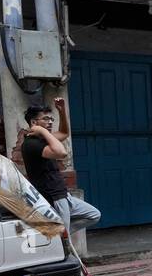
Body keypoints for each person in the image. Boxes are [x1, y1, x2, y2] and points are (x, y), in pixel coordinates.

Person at [19, 99, 101, 235]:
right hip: (53, 196)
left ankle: (58, 234)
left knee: (94, 215)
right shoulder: (31, 144)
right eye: (46, 119)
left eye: (51, 119)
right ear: (34, 123)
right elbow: (61, 153)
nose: (50, 122)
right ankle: (61, 237)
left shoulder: (43, 139)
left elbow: (64, 133)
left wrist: (62, 111)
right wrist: (42, 131)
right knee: (64, 239)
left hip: (63, 195)